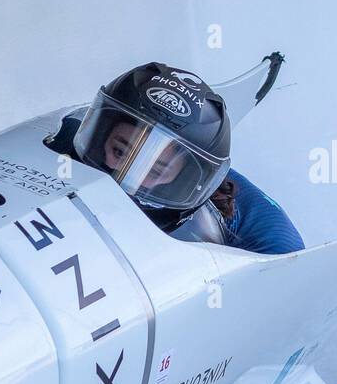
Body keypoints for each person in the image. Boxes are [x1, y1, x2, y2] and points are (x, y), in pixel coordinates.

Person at [57, 62, 303, 255]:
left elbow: (289, 271)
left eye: (154, 169)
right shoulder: (65, 136)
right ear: (99, 135)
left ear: (181, 181)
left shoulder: (266, 235)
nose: (126, 176)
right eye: (120, 152)